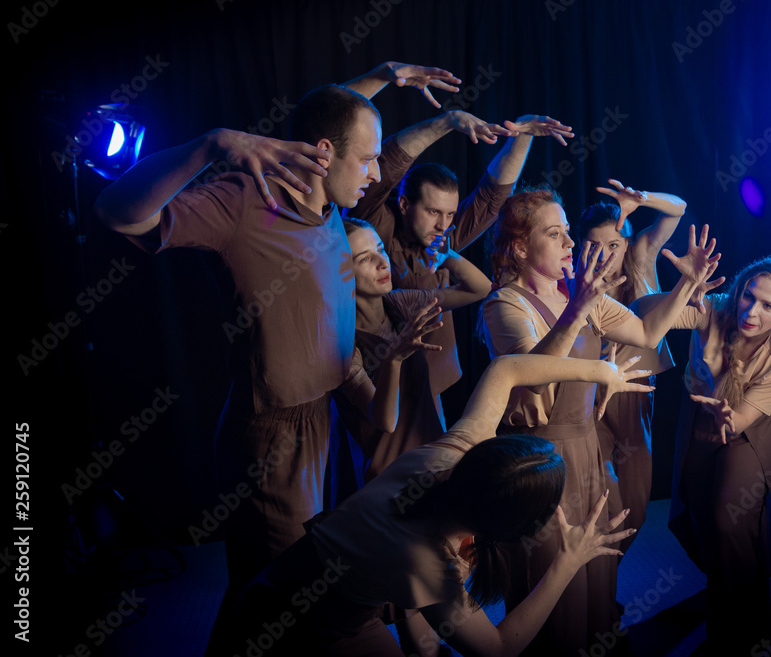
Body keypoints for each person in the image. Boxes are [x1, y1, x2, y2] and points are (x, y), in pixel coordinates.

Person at [92, 61, 458, 595]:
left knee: (294, 596)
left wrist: (382, 75)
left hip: (325, 423)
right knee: (282, 602)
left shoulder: (332, 204)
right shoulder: (248, 201)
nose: (378, 173)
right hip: (271, 440)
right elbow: (115, 213)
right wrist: (210, 145)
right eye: (370, 159)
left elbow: (327, 121)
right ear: (327, 156)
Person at [205, 353, 652, 657]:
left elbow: (505, 368)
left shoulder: (453, 457)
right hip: (291, 630)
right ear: (514, 530)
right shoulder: (429, 566)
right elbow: (498, 649)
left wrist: (600, 370)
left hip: (288, 592)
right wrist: (567, 561)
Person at [480, 187, 722, 655]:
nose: (571, 244)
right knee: (550, 574)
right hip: (538, 459)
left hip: (587, 449)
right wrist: (577, 309)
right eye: (556, 234)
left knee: (594, 571)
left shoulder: (580, 291)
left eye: (568, 232)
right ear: (520, 247)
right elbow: (531, 375)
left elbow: (648, 332)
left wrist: (685, 286)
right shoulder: (504, 304)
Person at [352, 109, 574, 424]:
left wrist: (522, 137)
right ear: (404, 204)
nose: (444, 224)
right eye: (432, 212)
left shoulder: (444, 237)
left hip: (429, 385)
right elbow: (387, 167)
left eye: (450, 214)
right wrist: (445, 122)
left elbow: (490, 198)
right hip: (370, 381)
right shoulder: (374, 225)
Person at [664, 255, 771, 654]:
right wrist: (681, 291)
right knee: (699, 512)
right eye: (749, 296)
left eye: (768, 306)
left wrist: (715, 383)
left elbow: (738, 422)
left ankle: (742, 633)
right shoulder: (717, 307)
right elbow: (651, 320)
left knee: (730, 522)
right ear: (740, 290)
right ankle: (728, 598)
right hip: (699, 418)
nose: (751, 311)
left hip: (745, 435)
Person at [577, 178, 693, 553]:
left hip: (635, 392)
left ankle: (608, 576)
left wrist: (642, 199)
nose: (605, 253)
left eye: (614, 244)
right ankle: (598, 594)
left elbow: (677, 207)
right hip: (586, 392)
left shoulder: (640, 256)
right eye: (595, 244)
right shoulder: (574, 278)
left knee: (635, 504)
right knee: (595, 495)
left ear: (626, 242)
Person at [335, 216, 491, 481]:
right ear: (341, 273)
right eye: (365, 259)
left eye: (380, 250)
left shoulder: (399, 302)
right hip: (390, 481)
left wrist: (448, 256)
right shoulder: (344, 343)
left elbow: (480, 288)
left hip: (433, 463)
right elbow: (385, 421)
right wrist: (394, 358)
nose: (382, 262)